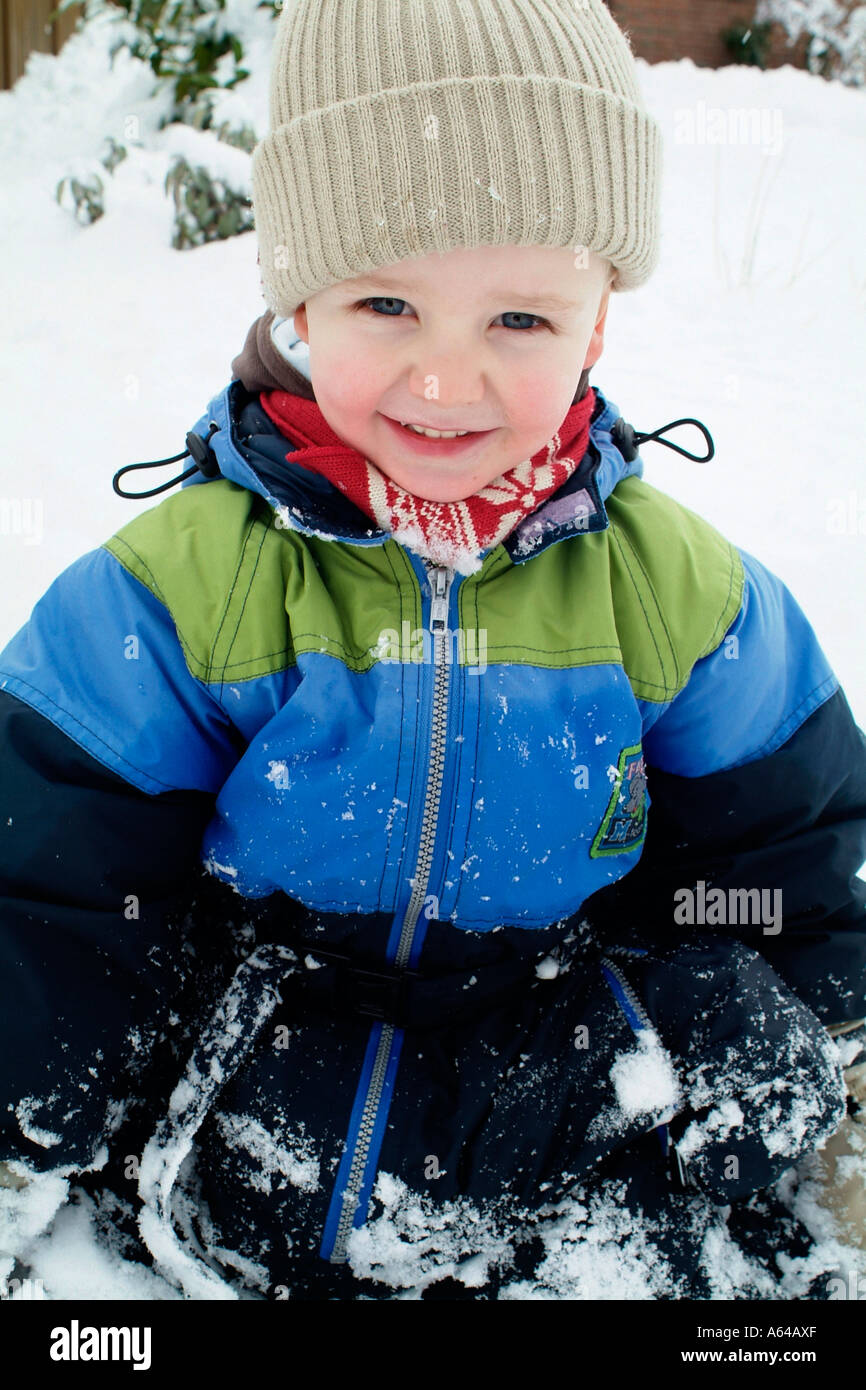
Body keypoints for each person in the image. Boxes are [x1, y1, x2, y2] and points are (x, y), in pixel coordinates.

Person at [1, 0, 864, 1300]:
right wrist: (28, 1139)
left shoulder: (676, 593)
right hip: (244, 1134)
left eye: (517, 319)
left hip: (570, 1121)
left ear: (597, 325)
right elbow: (58, 893)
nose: (445, 381)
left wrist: (793, 1037)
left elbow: (782, 865)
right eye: (388, 302)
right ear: (301, 299)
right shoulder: (185, 588)